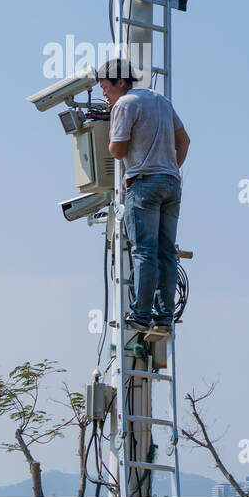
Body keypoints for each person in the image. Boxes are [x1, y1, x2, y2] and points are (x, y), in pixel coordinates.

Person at [97, 57, 190, 338]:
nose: (104, 93)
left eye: (105, 87)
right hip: (171, 182)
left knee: (144, 251)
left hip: (144, 183)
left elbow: (117, 150)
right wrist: (169, 168)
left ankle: (140, 315)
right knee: (166, 252)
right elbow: (184, 141)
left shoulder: (125, 105)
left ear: (121, 82)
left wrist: (112, 128)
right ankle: (163, 318)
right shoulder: (161, 101)